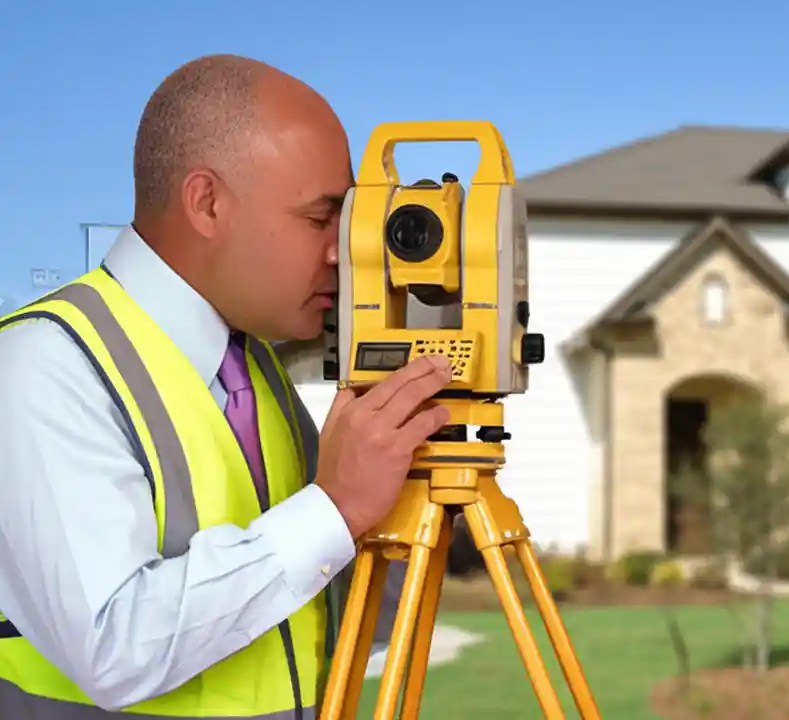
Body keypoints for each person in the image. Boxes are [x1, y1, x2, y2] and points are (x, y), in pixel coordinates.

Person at [0, 54, 454, 717]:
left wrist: (394, 504)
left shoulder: (258, 369)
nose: (344, 251)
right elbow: (113, 649)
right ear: (206, 202)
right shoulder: (43, 364)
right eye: (320, 217)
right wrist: (334, 508)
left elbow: (308, 621)